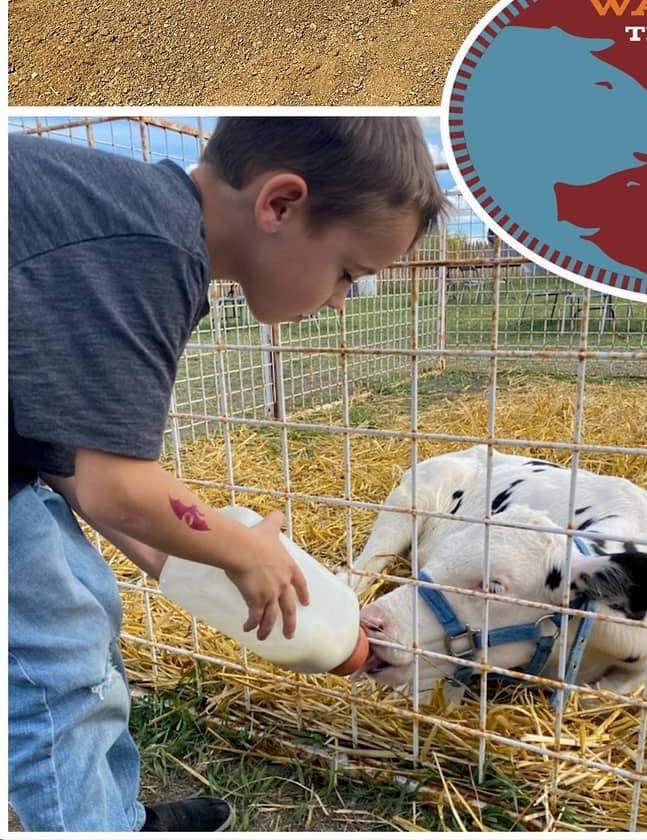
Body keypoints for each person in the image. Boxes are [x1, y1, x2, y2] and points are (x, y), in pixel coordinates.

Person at [9, 117, 448, 832]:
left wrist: (185, 561)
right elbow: (116, 489)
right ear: (280, 204)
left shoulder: (125, 218)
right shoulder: (151, 249)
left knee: (81, 607)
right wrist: (242, 550)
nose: (341, 300)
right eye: (348, 273)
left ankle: (109, 816)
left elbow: (68, 460)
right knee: (58, 654)